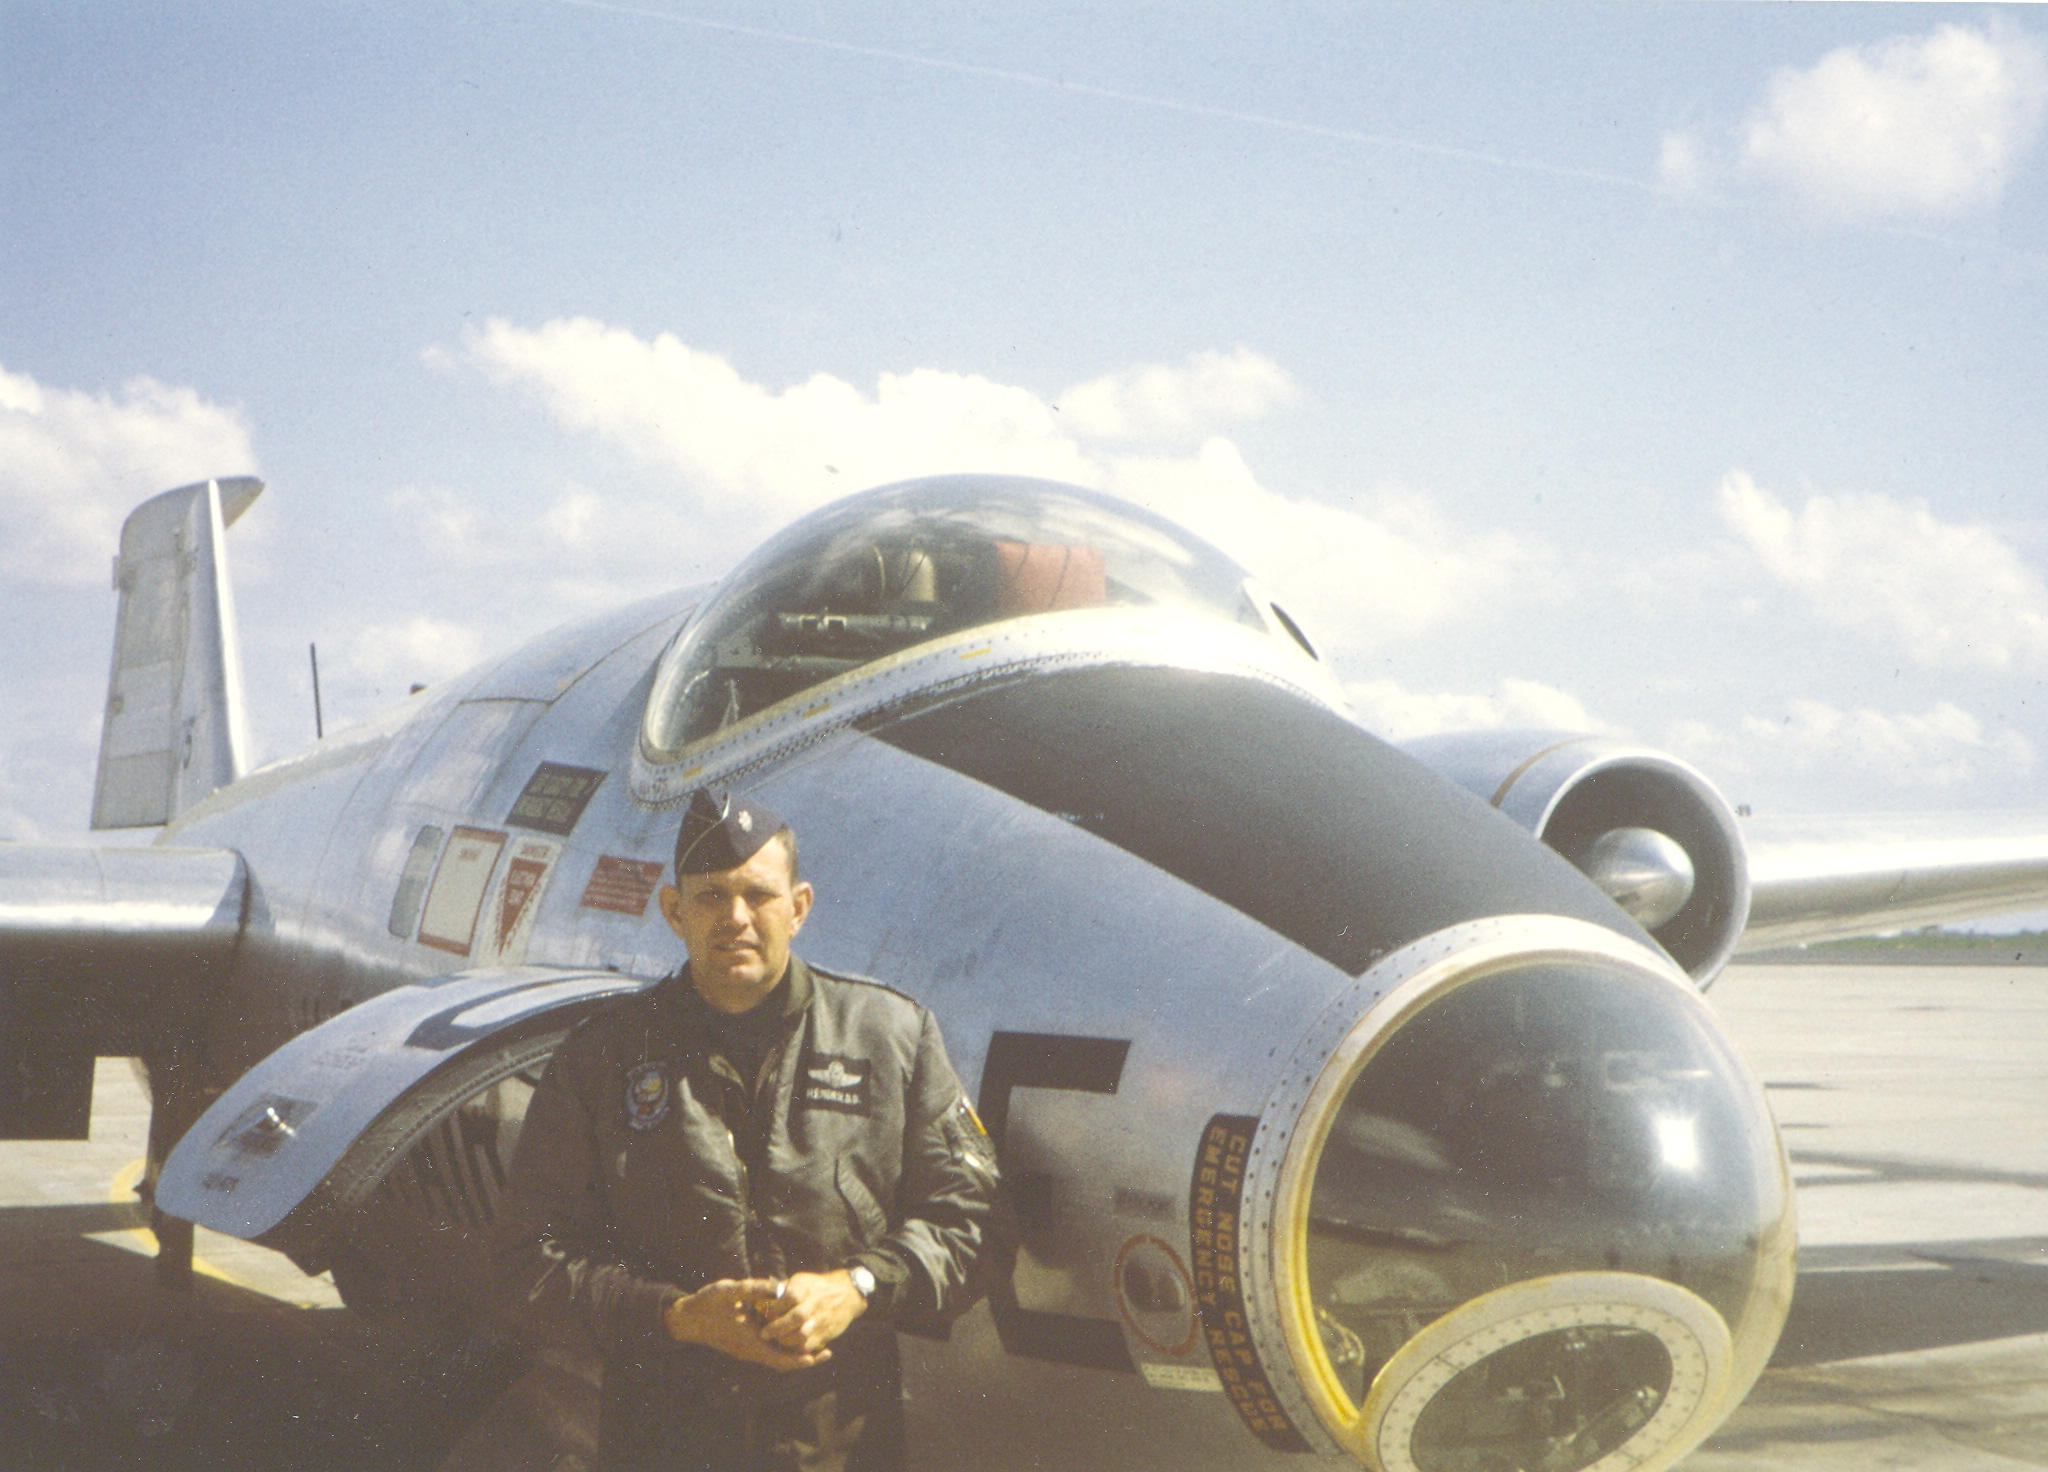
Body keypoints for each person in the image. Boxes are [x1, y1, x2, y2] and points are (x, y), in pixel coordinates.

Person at [496, 787, 1005, 1472]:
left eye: (758, 895)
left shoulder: (892, 1038)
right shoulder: (602, 1058)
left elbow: (975, 1224)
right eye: (710, 897)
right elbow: (528, 1259)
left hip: (837, 1445)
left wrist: (857, 1287)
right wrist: (677, 1316)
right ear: (674, 912)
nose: (735, 917)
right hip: (666, 1443)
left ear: (798, 908)